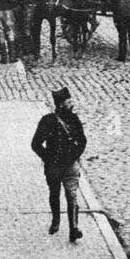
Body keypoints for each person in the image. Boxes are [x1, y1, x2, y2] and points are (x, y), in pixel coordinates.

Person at [30, 87, 88, 243]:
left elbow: (82, 141)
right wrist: (48, 158)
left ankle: (74, 229)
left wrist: (74, 156)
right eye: (69, 102)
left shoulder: (74, 120)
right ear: (61, 104)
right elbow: (35, 144)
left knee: (72, 195)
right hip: (53, 166)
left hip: (70, 165)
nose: (72, 104)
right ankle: (56, 220)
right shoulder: (48, 121)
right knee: (54, 193)